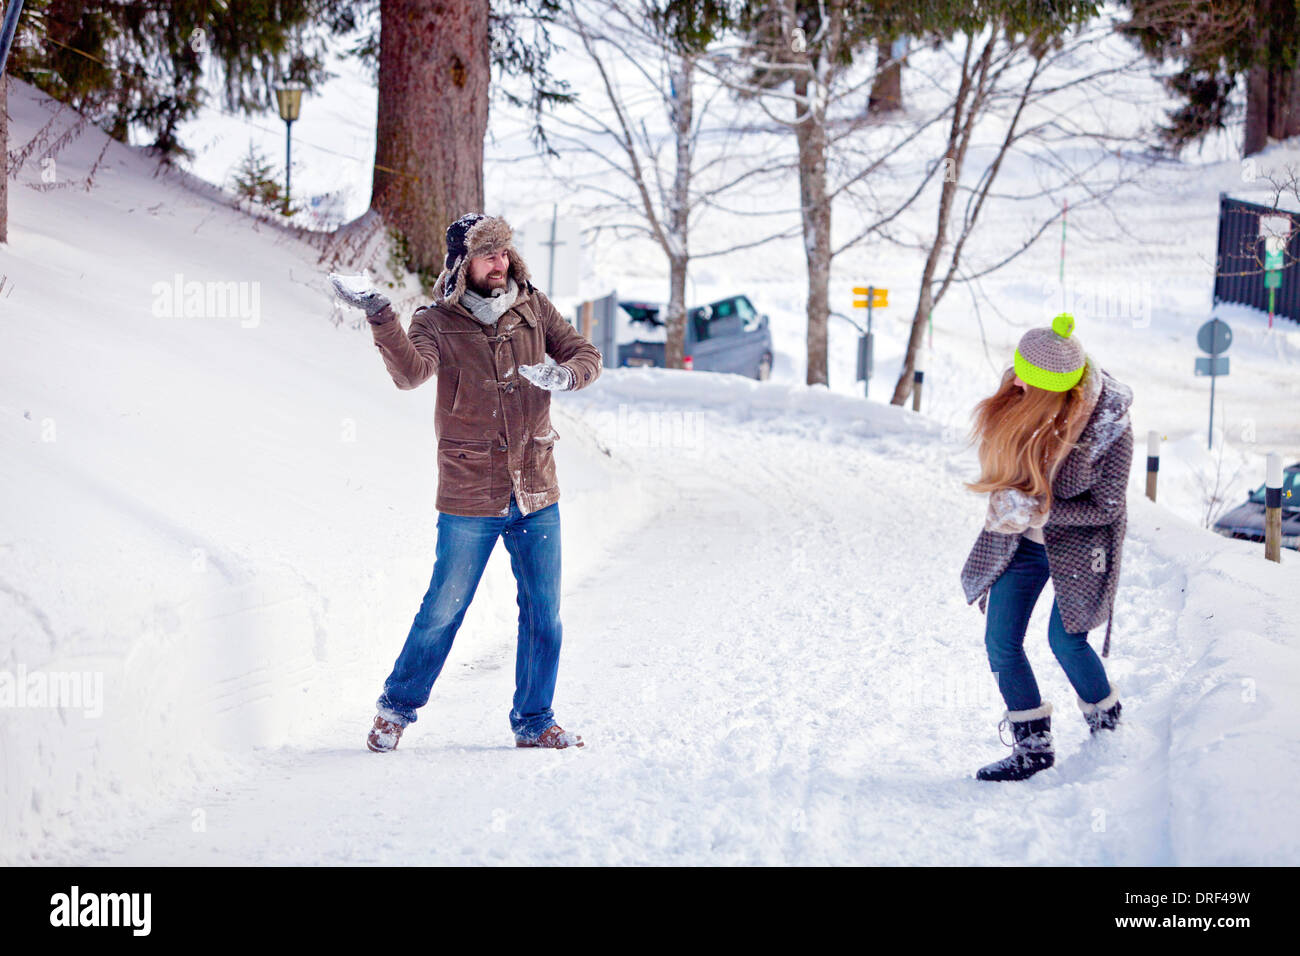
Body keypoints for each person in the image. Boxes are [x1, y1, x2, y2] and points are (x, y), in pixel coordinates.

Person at [329, 212, 603, 753]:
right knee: (444, 607)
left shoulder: (533, 307)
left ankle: (534, 719)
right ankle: (395, 709)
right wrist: (382, 316)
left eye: (504, 252)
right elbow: (410, 373)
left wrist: (565, 374)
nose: (499, 262)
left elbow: (583, 353)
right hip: (470, 491)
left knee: (543, 611)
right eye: (487, 254)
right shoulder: (437, 321)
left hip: (535, 488)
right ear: (463, 262)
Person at [960, 313, 1133, 781]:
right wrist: (1011, 504)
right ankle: (1032, 747)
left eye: (1027, 383)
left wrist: (1041, 511)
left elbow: (1109, 507)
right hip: (1024, 544)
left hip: (1080, 545)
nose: (1015, 383)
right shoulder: (1019, 388)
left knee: (1066, 640)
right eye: (1016, 374)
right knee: (1001, 641)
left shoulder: (1107, 426)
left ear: (1059, 388)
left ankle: (1110, 729)